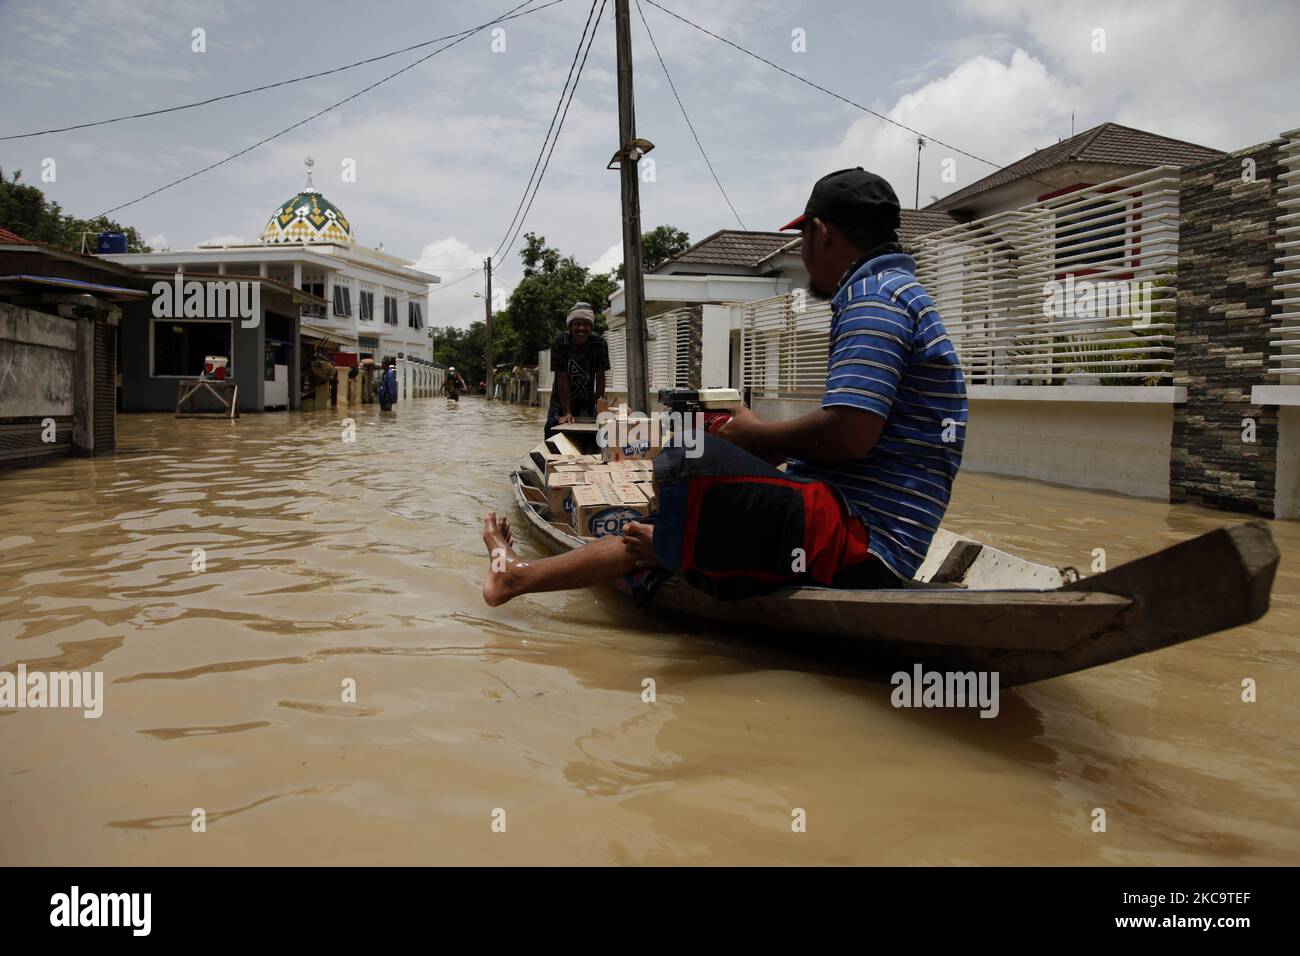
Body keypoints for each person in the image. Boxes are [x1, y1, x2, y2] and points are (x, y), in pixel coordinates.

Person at [481, 168, 967, 605]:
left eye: (802, 241)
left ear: (821, 233)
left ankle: (677, 548)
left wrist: (758, 437)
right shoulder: (899, 293)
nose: (802, 255)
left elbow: (852, 434)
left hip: (861, 539)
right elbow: (852, 437)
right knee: (669, 504)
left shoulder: (872, 298)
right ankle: (517, 576)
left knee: (689, 453)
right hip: (853, 522)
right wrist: (762, 447)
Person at [544, 302, 609, 437]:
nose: (581, 328)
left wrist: (600, 407)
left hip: (587, 401)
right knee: (551, 429)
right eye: (577, 324)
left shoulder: (599, 343)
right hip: (560, 401)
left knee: (591, 434)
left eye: (586, 324)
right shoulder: (560, 342)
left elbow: (601, 377)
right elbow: (562, 378)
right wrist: (567, 412)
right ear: (570, 326)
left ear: (591, 327)